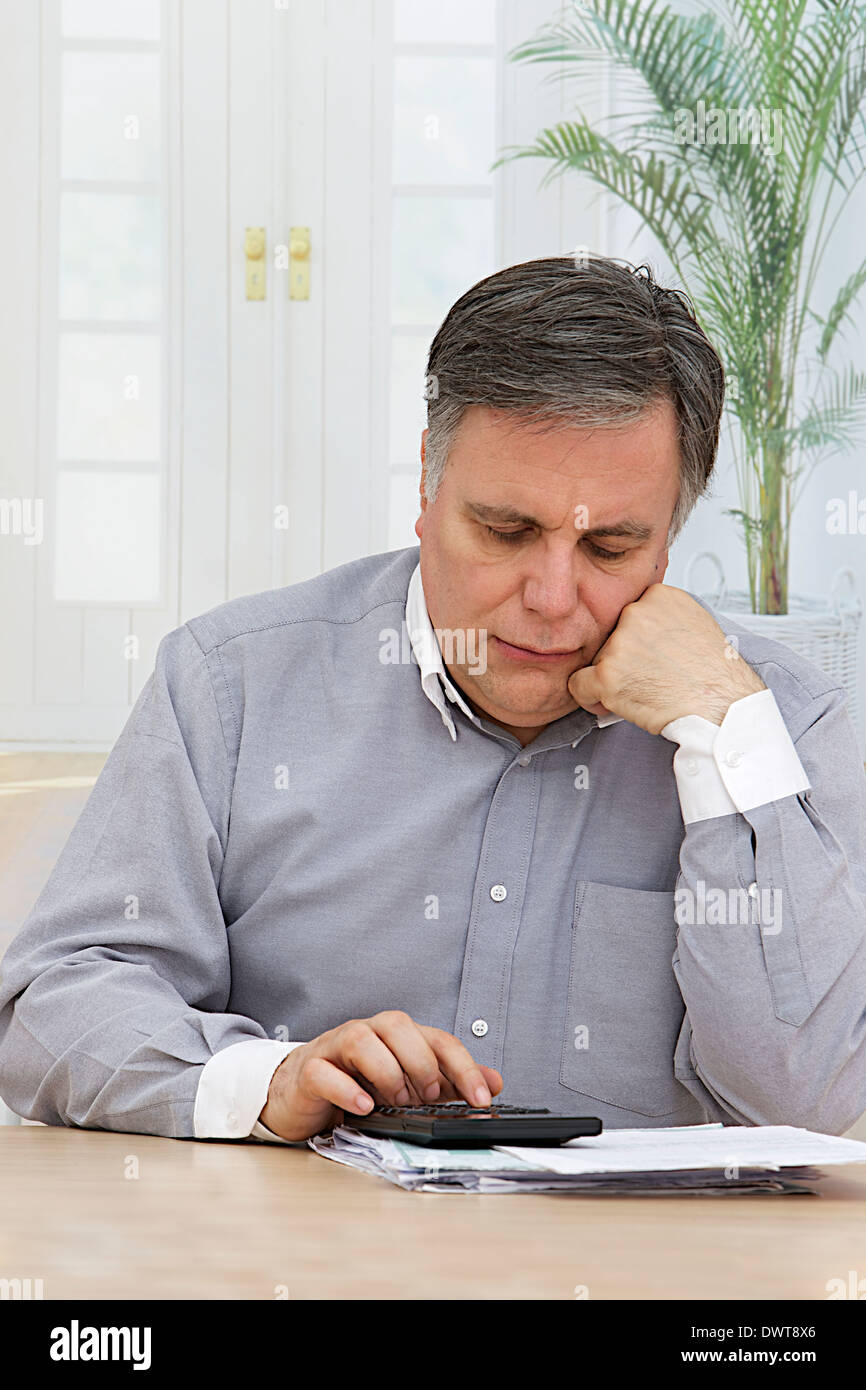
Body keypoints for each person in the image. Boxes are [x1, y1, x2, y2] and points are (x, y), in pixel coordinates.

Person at [1, 254, 864, 1145]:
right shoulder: (233, 687)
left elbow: (805, 1109)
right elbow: (54, 1005)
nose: (552, 598)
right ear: (426, 483)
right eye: (506, 531)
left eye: (611, 547)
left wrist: (725, 735)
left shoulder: (781, 729)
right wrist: (269, 1079)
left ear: (670, 537)